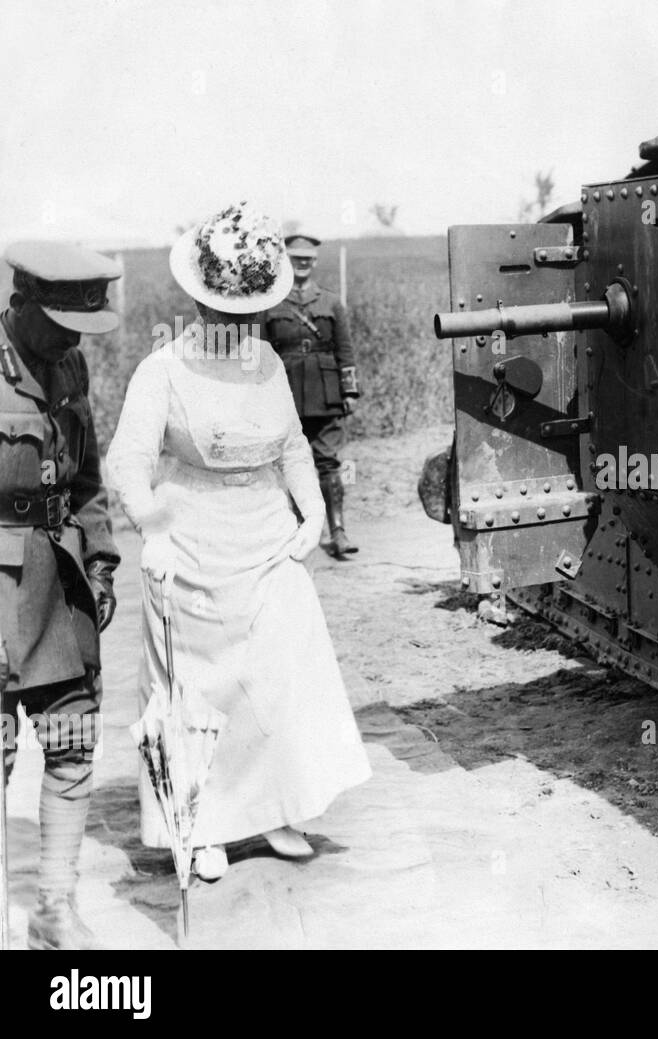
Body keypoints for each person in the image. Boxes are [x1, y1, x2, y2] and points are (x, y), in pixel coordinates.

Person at [106, 203, 371, 883]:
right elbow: (127, 464)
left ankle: (277, 805)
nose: (237, 327)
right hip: (189, 538)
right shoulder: (162, 370)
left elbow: (291, 446)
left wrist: (310, 512)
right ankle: (203, 823)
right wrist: (150, 529)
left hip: (264, 536)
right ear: (199, 304)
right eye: (226, 314)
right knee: (197, 689)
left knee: (279, 671)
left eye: (248, 315)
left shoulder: (267, 367)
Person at [0, 241, 121, 950]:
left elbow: (87, 483)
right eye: (61, 322)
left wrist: (101, 563)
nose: (76, 339)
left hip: (60, 584)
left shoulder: (69, 364)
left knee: (73, 743)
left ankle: (53, 909)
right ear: (20, 302)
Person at [262, 233, 360, 558]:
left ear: (315, 262)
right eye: (295, 258)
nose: (302, 263)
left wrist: (349, 389)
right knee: (287, 462)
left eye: (307, 258)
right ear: (285, 261)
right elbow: (261, 352)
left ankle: (339, 531)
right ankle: (297, 530)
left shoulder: (331, 302)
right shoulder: (270, 302)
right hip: (285, 390)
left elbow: (344, 348)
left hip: (325, 390)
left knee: (329, 461)